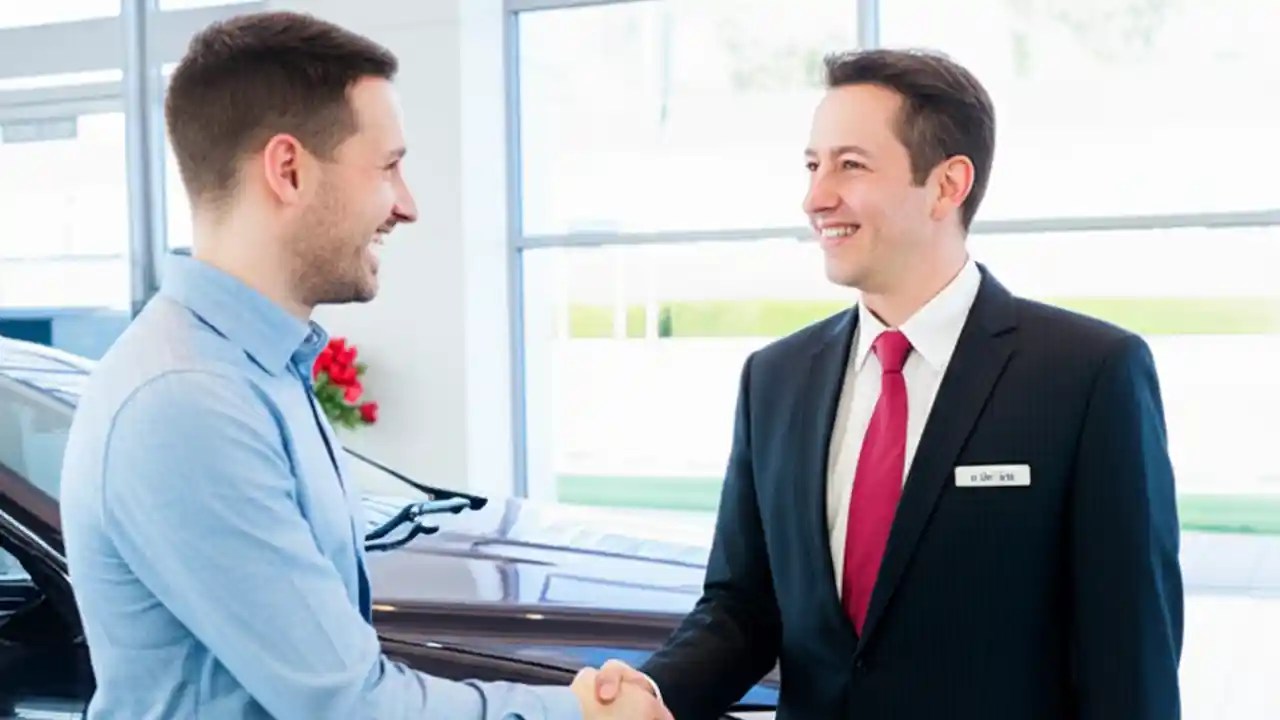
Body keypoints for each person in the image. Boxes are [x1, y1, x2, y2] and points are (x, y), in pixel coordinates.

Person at [58, 11, 666, 720]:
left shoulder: (258, 371)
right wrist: (584, 713)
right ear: (288, 170)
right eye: (388, 167)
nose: (405, 206)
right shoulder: (189, 401)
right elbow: (347, 705)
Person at [593, 48, 1183, 718]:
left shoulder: (1087, 374)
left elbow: (1130, 656)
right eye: (813, 166)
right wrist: (657, 691)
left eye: (850, 165)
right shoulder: (776, 380)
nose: (816, 198)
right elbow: (743, 607)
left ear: (946, 185)